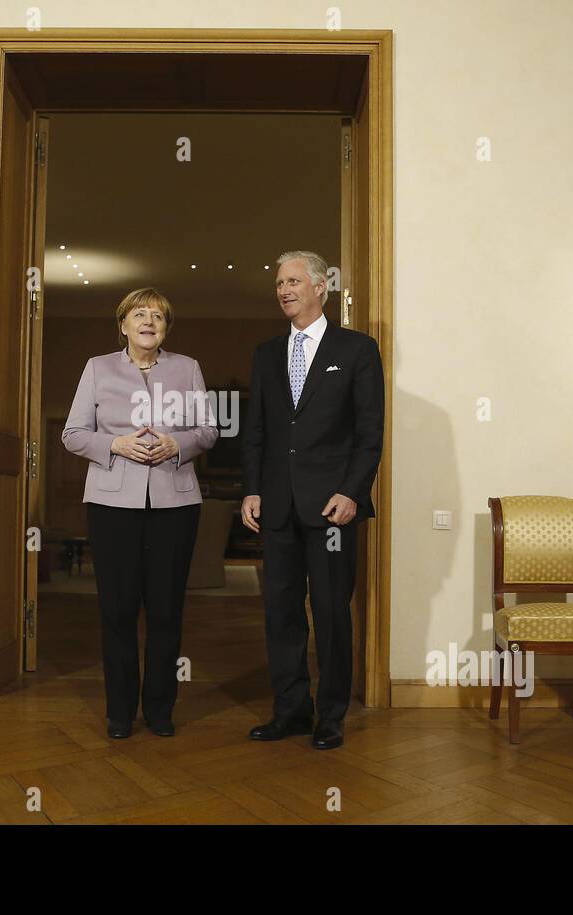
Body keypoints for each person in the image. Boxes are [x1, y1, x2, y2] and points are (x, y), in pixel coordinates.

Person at [241, 250, 384, 750]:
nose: (283, 289)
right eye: (279, 281)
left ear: (322, 287)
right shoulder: (265, 354)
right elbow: (255, 430)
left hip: (332, 509)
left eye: (294, 281)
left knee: (329, 612)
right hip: (276, 507)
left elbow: (370, 433)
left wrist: (353, 492)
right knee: (280, 613)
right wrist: (252, 489)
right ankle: (290, 711)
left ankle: (331, 715)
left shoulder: (358, 350)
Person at [62, 287, 218, 739]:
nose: (149, 321)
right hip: (113, 505)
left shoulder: (186, 368)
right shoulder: (97, 368)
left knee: (166, 610)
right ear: (124, 325)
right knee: (118, 610)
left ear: (166, 328)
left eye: (159, 316)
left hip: (176, 504)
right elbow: (72, 433)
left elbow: (208, 430)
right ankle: (119, 712)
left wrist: (178, 443)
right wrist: (115, 443)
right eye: (140, 314)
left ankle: (161, 709)